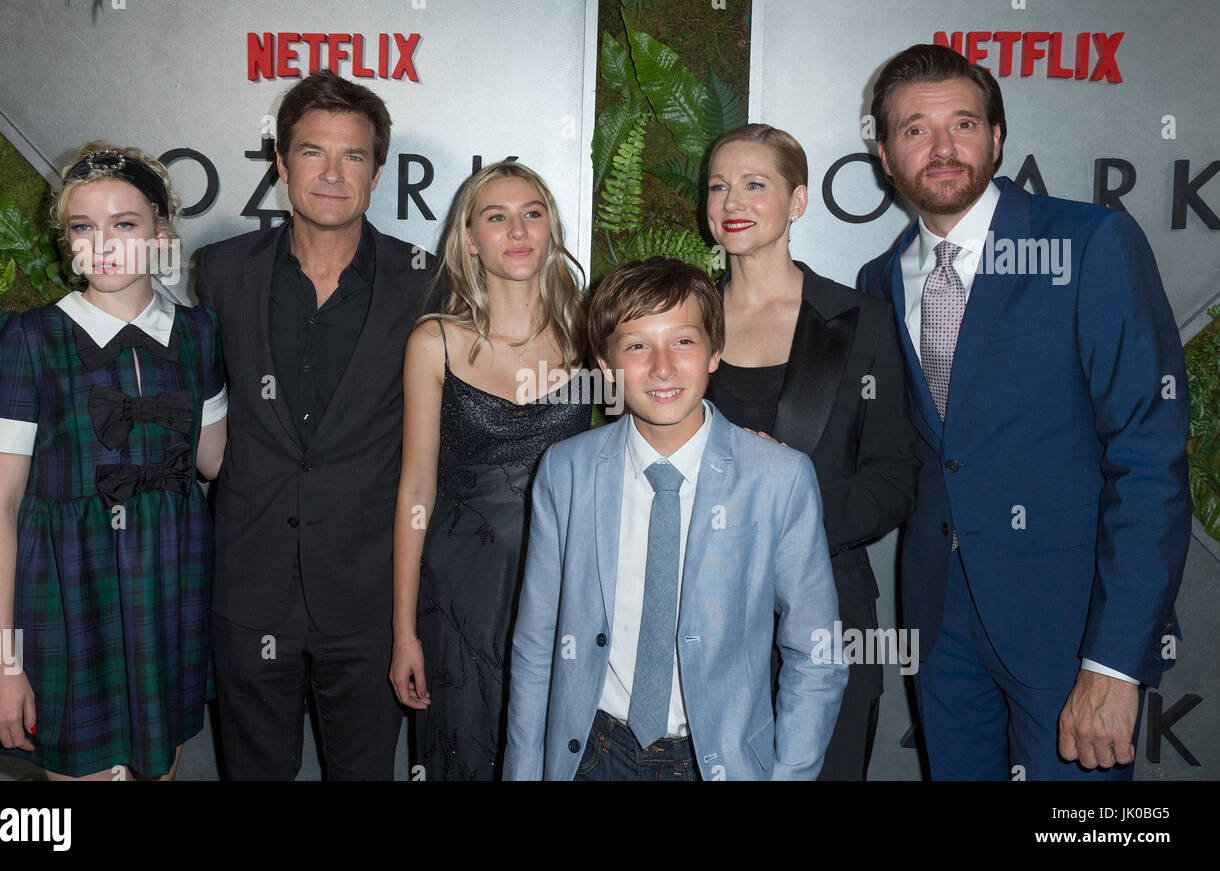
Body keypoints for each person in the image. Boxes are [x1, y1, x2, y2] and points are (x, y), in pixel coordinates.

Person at [858, 43, 1190, 780]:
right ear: (885, 153)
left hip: (1072, 632)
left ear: (998, 137)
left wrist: (1115, 659)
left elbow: (1148, 457)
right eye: (915, 129)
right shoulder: (880, 278)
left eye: (964, 124)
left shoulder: (1090, 243)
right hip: (941, 632)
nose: (942, 149)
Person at [504, 256, 847, 781]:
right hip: (591, 752)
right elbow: (536, 640)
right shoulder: (566, 471)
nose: (662, 367)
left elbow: (816, 655)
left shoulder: (778, 479)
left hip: (716, 761)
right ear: (605, 364)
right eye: (637, 346)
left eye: (683, 341)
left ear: (715, 351)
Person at [193, 71, 433, 780]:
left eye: (353, 156)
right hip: (247, 590)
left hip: (368, 599)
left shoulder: (425, 282)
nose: (332, 174)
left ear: (379, 171)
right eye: (312, 153)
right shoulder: (221, 272)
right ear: (280, 162)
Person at [0, 141, 227, 780]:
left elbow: (215, 463)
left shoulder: (199, 334)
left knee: (159, 771)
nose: (102, 244)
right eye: (84, 227)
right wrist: (0, 661)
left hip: (169, 591)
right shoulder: (29, 339)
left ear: (160, 233)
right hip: (65, 598)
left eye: (125, 224)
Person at [704, 123, 919, 780]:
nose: (731, 201)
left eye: (754, 184)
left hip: (827, 618)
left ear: (798, 200)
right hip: (698, 621)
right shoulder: (680, 320)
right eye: (717, 186)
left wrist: (785, 506)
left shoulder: (861, 320)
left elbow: (894, 479)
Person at [389, 162, 592, 780]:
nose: (517, 229)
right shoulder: (435, 341)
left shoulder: (592, 334)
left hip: (564, 581)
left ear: (551, 228)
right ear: (470, 239)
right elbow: (417, 487)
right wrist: (404, 632)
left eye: (532, 213)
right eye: (496, 217)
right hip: (459, 591)